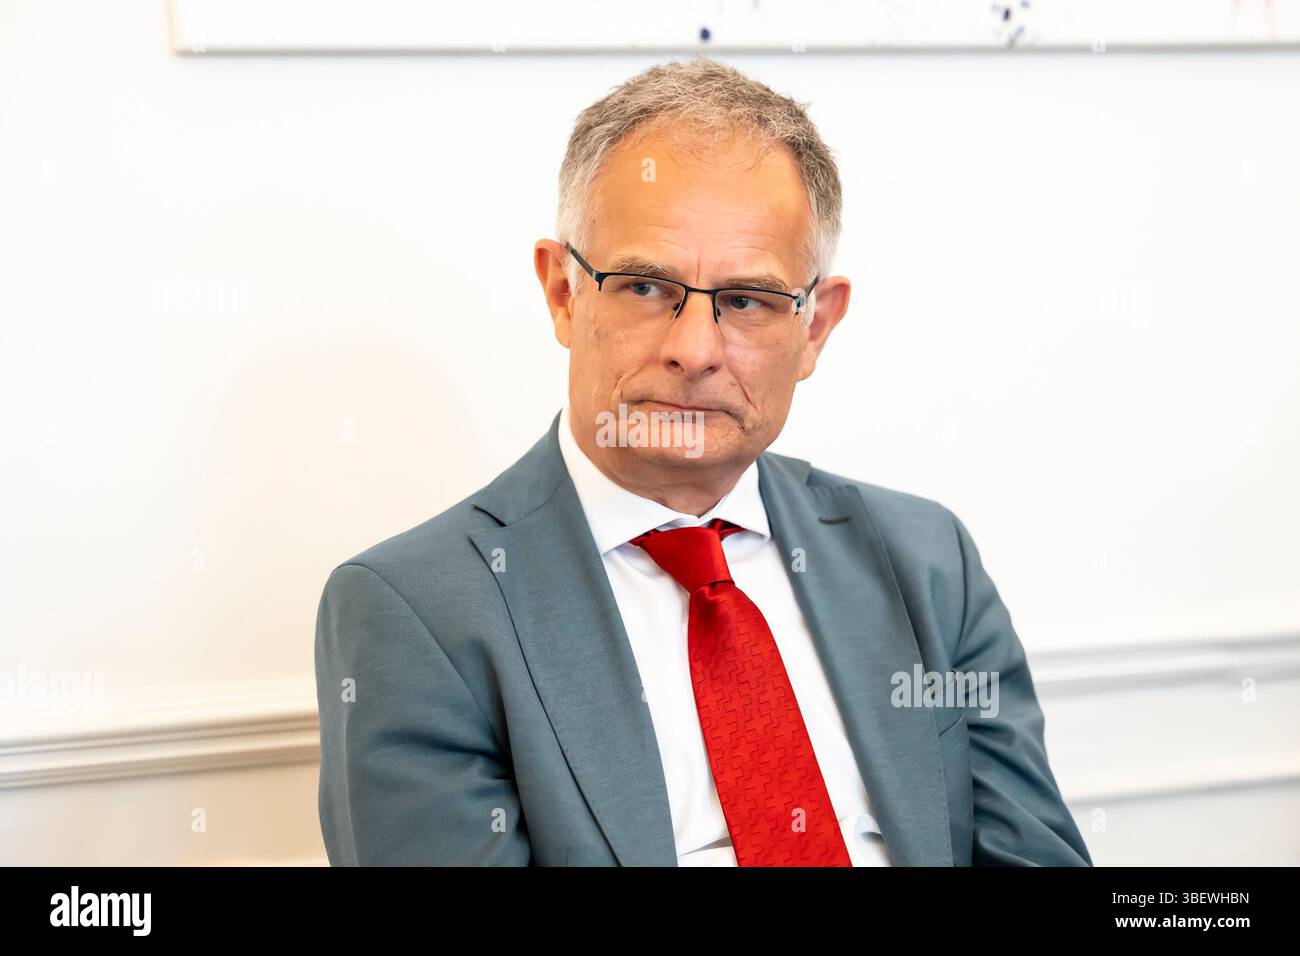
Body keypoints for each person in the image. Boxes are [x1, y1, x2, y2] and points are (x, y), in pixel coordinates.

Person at [314, 57, 1091, 867]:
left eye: (747, 301)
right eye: (645, 288)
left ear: (816, 327)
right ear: (561, 294)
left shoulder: (927, 562)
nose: (693, 350)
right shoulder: (416, 613)